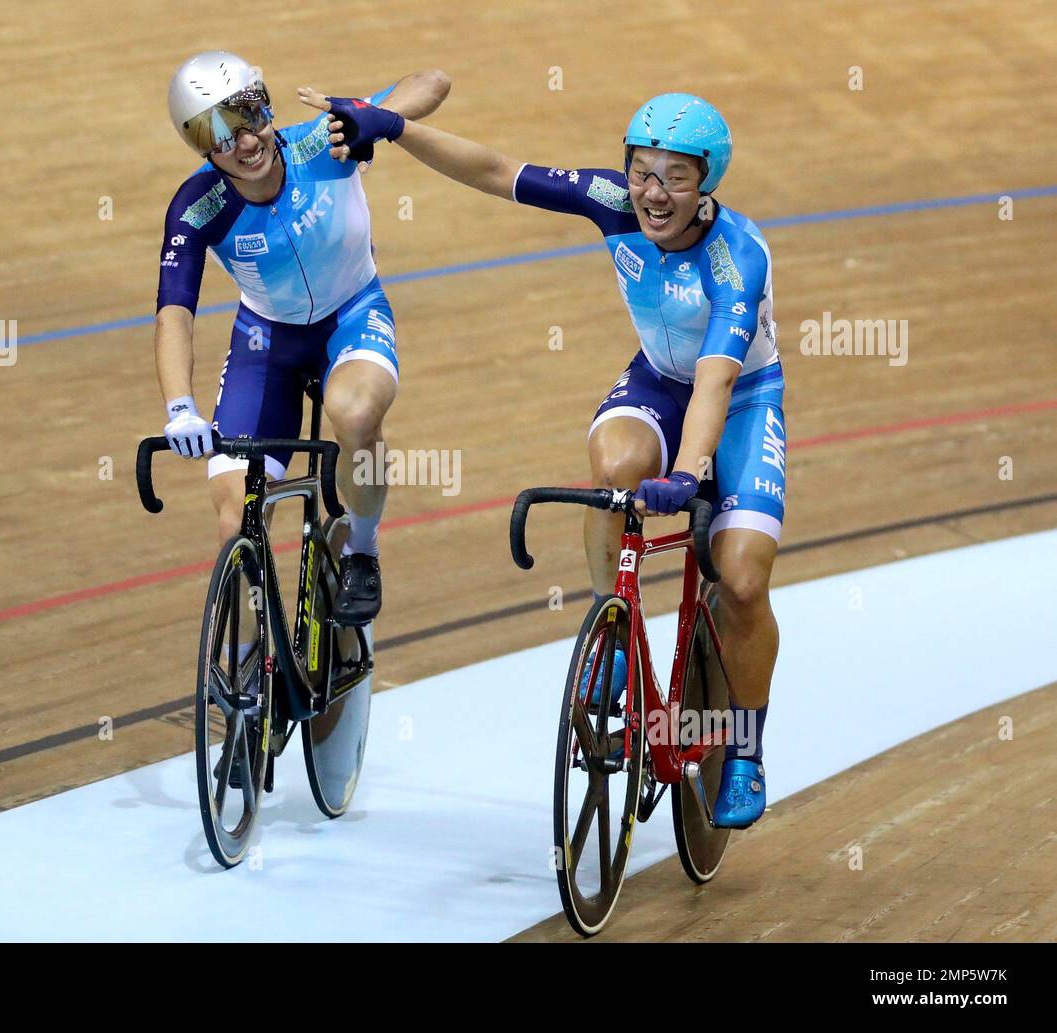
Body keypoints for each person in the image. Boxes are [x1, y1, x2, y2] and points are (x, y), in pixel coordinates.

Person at [300, 89, 783, 827]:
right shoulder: (611, 202)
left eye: (674, 179)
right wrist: (394, 127)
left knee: (744, 578)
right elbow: (496, 170)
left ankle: (744, 749)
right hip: (657, 379)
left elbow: (717, 377)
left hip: (742, 395)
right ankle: (611, 624)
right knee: (613, 463)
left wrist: (689, 474)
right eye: (641, 173)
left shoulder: (736, 255)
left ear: (706, 181)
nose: (652, 194)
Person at [156, 53, 450, 625]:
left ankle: (362, 549)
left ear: (268, 105)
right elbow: (174, 312)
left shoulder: (325, 140)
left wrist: (374, 118)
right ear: (201, 150)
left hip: (354, 312)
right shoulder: (198, 207)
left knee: (356, 413)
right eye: (220, 134)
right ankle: (245, 674)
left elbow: (432, 82)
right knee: (234, 518)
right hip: (266, 343)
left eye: (250, 115)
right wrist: (179, 407)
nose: (244, 142)